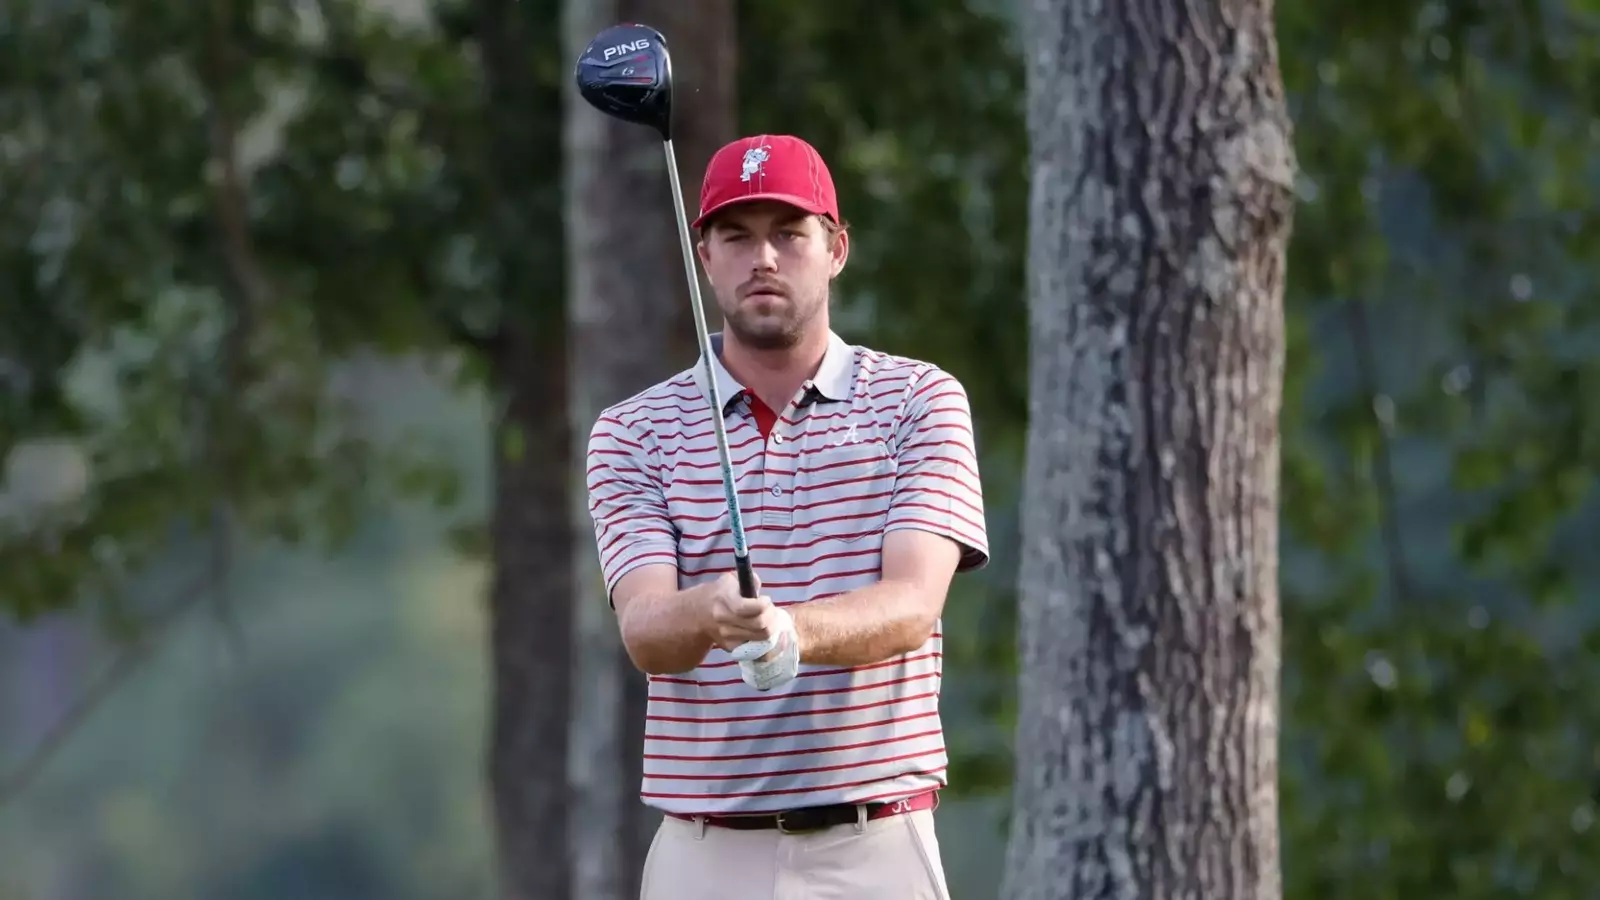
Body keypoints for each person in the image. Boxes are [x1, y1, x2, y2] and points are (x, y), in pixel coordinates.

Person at [583, 133, 989, 900]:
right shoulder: (633, 430)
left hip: (877, 847)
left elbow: (912, 605)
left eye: (789, 234)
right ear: (704, 254)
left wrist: (789, 632)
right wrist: (711, 612)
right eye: (736, 237)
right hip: (706, 853)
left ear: (836, 248)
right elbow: (645, 631)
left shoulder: (918, 401)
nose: (763, 258)